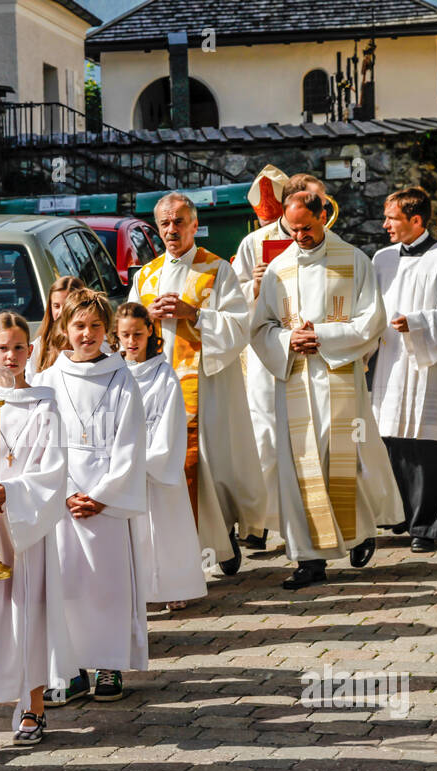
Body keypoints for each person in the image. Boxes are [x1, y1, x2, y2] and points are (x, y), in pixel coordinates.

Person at [250, 193, 403, 590]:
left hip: (339, 376)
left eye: (307, 227)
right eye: (292, 229)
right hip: (295, 379)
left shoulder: (354, 261)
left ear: (324, 218)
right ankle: (308, 560)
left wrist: (323, 336)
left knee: (342, 460)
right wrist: (286, 341)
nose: (299, 236)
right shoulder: (278, 269)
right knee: (299, 468)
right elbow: (261, 327)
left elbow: (373, 320)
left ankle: (359, 531)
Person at [128, 192, 265, 577]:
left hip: (206, 385)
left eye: (180, 222)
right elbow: (126, 331)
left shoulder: (217, 270)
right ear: (158, 228)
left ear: (194, 225)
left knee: (208, 463)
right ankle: (178, 551)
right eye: (165, 223)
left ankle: (221, 538)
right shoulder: (145, 275)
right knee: (168, 465)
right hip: (156, 388)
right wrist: (145, 316)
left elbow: (239, 327)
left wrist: (196, 314)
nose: (172, 230)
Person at [0, 312, 72, 749]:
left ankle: (33, 708)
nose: (11, 355)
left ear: (30, 351)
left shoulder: (45, 404)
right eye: (3, 347)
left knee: (30, 614)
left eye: (20, 347)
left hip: (27, 528)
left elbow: (53, 472)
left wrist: (14, 493)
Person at [34, 288, 147, 705]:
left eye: (96, 326)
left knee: (106, 585)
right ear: (65, 329)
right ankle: (71, 669)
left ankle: (109, 666)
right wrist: (62, 493)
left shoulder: (122, 380)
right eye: (79, 326)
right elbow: (39, 442)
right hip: (61, 500)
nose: (87, 334)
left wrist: (99, 495)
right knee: (66, 586)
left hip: (106, 503)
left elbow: (131, 443)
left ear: (107, 331)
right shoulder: (47, 380)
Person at [371, 186, 437, 553]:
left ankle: (428, 526)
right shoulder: (381, 260)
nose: (385, 224)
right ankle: (399, 514)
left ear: (416, 220)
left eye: (392, 218)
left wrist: (416, 322)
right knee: (393, 442)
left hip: (432, 368)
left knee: (430, 447)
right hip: (392, 366)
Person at [236, 172, 334, 550]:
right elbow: (233, 299)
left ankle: (311, 522)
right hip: (268, 352)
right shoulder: (252, 244)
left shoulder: (321, 237)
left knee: (311, 437)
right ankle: (258, 522)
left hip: (312, 348)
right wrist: (254, 286)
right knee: (265, 436)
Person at [115, 302, 207, 612]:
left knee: (167, 530)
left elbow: (171, 418)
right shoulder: (114, 373)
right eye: (125, 335)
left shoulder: (163, 373)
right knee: (135, 531)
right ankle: (138, 587)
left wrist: (151, 460)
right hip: (126, 465)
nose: (131, 342)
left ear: (149, 332)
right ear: (116, 336)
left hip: (158, 464)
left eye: (137, 334)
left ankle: (174, 586)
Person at [26, 275, 85, 382]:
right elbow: (31, 384)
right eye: (56, 306)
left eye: (67, 306)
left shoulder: (91, 343)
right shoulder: (39, 346)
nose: (61, 312)